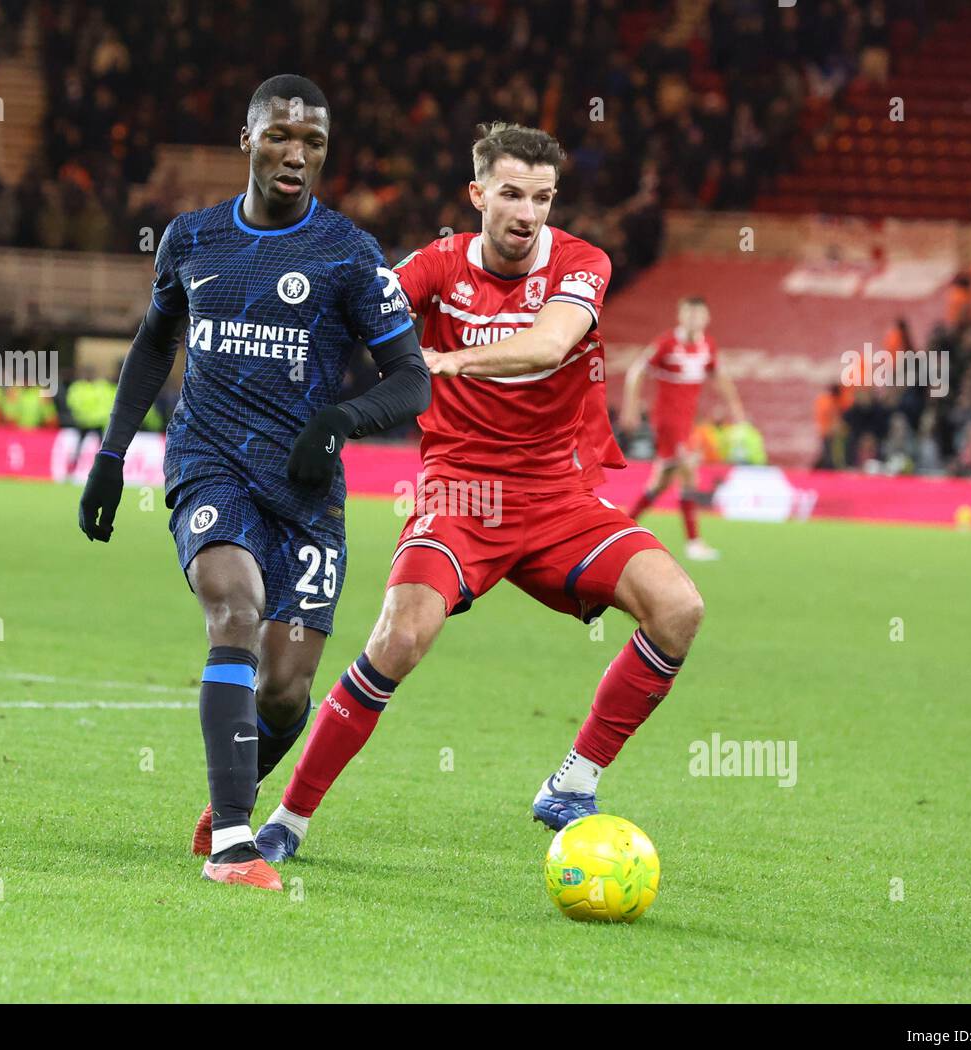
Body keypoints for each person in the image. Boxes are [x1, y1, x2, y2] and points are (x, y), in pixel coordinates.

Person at [224, 121, 706, 862]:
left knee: (678, 608)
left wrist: (442, 362)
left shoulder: (583, 264)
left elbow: (549, 344)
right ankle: (288, 820)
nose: (527, 213)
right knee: (400, 637)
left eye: (543, 197)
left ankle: (572, 783)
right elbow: (352, 313)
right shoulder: (437, 265)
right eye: (511, 194)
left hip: (556, 495)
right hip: (460, 495)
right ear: (478, 194)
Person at [77, 74, 430, 891]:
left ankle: (239, 789)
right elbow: (149, 349)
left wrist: (340, 420)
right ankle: (234, 841)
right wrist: (108, 456)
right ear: (247, 140)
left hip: (307, 492)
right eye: (279, 136)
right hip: (209, 462)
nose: (295, 155)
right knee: (231, 610)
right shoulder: (192, 240)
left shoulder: (348, 252)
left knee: (283, 690)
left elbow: (412, 380)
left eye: (312, 143)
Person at [620, 297, 747, 560]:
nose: (693, 320)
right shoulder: (667, 343)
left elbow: (720, 375)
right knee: (689, 471)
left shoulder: (707, 345)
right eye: (689, 315)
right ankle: (694, 542)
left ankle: (620, 527)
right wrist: (630, 408)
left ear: (706, 318)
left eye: (698, 315)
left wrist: (735, 406)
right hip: (667, 422)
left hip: (686, 423)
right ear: (680, 316)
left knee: (661, 482)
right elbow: (636, 372)